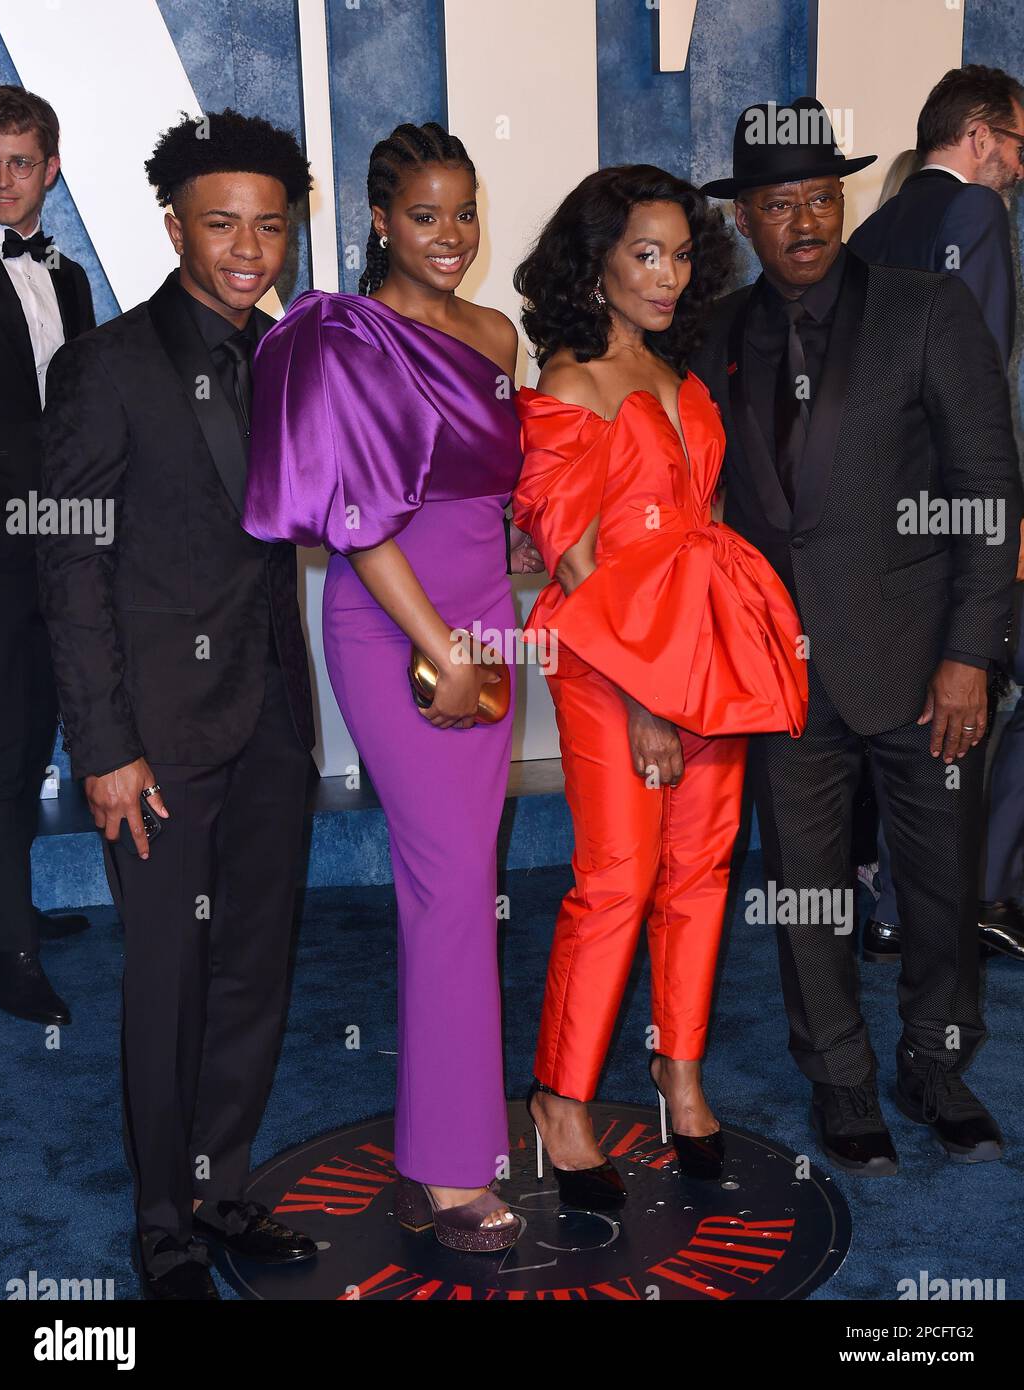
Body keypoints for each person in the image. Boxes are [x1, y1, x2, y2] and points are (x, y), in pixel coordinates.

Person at [693, 97, 1022, 1176]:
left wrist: (970, 655)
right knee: (806, 892)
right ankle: (837, 1078)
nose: (804, 221)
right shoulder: (712, 340)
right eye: (779, 202)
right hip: (781, 681)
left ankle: (933, 1065)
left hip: (925, 668)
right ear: (743, 216)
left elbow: (984, 492)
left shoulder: (924, 308)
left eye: (821, 198)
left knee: (936, 893)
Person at [243, 121, 540, 1252]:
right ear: (377, 219)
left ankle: (452, 1136)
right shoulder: (341, 336)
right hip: (391, 622)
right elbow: (359, 521)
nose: (450, 235)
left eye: (463, 212)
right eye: (424, 215)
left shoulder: (492, 330)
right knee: (454, 882)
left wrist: (512, 578)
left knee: (462, 880)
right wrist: (443, 648)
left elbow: (488, 495)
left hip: (487, 621)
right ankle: (450, 1167)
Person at [38, 110, 319, 1299]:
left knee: (256, 965)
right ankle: (161, 1223)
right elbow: (69, 564)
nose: (249, 247)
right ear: (172, 227)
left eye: (268, 224)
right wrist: (103, 748)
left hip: (271, 719)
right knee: (167, 979)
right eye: (222, 224)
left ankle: (225, 1186)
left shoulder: (289, 355)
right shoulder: (106, 367)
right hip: (152, 736)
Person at [510, 165, 808, 1206]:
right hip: (612, 667)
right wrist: (644, 702)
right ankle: (560, 1095)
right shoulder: (568, 380)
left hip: (703, 653)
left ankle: (678, 1074)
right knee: (617, 882)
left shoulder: (681, 375)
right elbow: (574, 558)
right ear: (594, 262)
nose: (667, 274)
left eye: (680, 254)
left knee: (704, 870)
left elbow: (703, 519)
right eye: (644, 252)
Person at [850, 65, 1024, 963]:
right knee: (969, 694)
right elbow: (980, 390)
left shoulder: (876, 227)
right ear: (983, 135)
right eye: (1019, 148)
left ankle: (893, 905)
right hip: (956, 515)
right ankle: (979, 892)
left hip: (877, 523)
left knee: (914, 709)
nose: (1019, 172)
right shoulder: (975, 216)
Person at [0, 85, 94, 1027]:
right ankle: (8, 946)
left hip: (59, 542)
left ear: (50, 170)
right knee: (0, 743)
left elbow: (85, 410)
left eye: (21, 162)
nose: (2, 179)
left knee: (36, 737)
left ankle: (1, 907)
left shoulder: (65, 276)